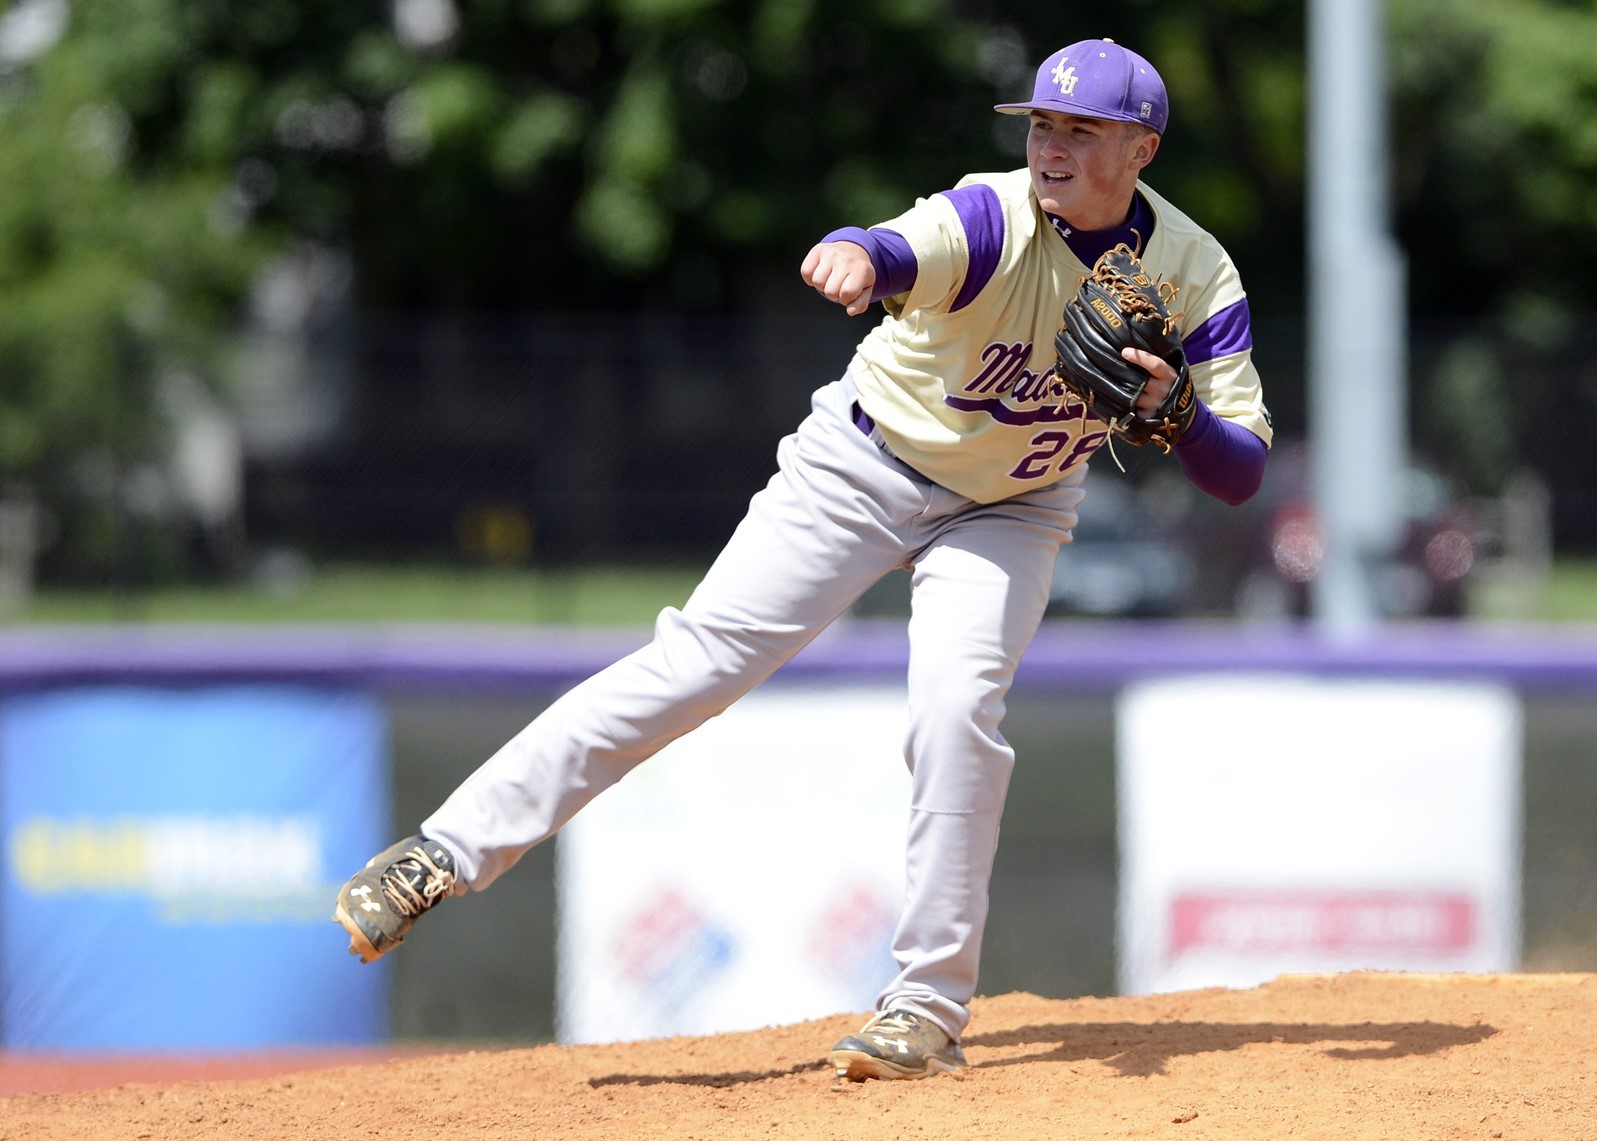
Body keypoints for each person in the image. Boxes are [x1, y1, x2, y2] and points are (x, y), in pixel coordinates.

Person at [334, 37, 1272, 1081]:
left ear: (1141, 148)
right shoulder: (989, 214)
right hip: (864, 465)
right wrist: (856, 258)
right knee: (697, 662)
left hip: (1011, 505)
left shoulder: (1193, 269)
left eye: (1080, 131)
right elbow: (891, 246)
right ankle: (441, 852)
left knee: (957, 711)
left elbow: (1237, 473)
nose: (1049, 146)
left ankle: (923, 1005)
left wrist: (1177, 414)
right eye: (1040, 125)